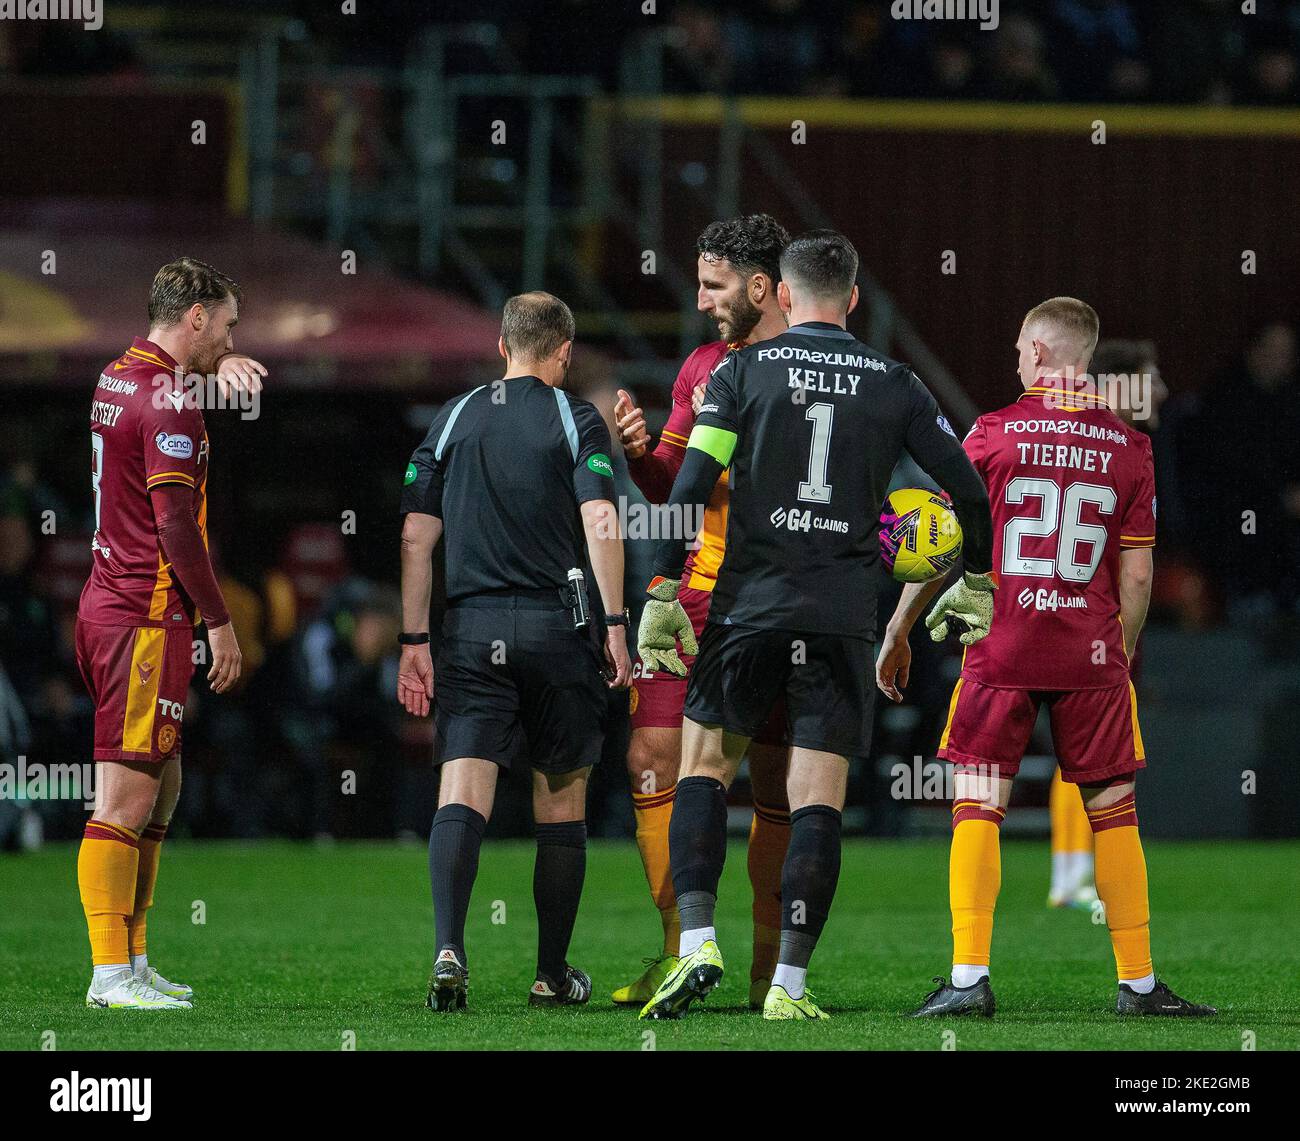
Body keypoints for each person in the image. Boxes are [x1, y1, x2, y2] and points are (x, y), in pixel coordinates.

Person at [634, 229, 995, 1021]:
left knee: (702, 771)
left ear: (786, 296)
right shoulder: (895, 382)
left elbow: (690, 485)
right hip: (840, 619)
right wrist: (977, 578)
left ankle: (696, 940)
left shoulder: (738, 372)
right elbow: (970, 494)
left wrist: (662, 586)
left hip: (745, 605)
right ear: (855, 299)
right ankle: (789, 988)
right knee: (815, 803)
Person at [878, 297, 1215, 1018]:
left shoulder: (991, 434)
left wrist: (900, 627)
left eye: (1019, 349)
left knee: (977, 803)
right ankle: (1140, 982)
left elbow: (940, 540)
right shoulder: (1130, 447)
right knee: (1115, 811)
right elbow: (1138, 573)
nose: (1015, 360)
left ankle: (969, 977)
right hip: (1088, 646)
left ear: (1038, 351)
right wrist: (1116, 657)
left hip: (1001, 639)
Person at [397, 291, 631, 1012]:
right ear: (562, 351)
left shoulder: (455, 415)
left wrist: (413, 638)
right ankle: (550, 974)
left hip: (470, 629)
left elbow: (415, 538)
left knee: (463, 789)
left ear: (503, 346)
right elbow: (599, 516)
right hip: (556, 629)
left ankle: (448, 945)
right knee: (559, 800)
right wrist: (616, 621)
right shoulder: (572, 414)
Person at [609, 214, 795, 1010]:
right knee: (652, 755)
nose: (701, 299)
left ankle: (767, 971)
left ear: (760, 286)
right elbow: (674, 488)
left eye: (714, 285)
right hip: (696, 597)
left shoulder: (815, 368)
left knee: (778, 784)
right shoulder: (701, 366)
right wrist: (641, 453)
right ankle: (679, 947)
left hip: (786, 601)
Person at [75, 257, 266, 1009]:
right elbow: (175, 524)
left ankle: (134, 956)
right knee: (124, 798)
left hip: (107, 604)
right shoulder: (171, 401)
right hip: (142, 619)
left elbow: (169, 396)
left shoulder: (120, 374)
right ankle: (109, 972)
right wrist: (219, 623)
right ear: (195, 317)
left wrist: (222, 367)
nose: (230, 334)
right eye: (225, 324)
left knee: (162, 788)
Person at [1047, 337, 1169, 910]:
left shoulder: (1058, 437)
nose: (1162, 390)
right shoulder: (1123, 451)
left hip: (1041, 615)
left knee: (1068, 752)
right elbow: (1135, 572)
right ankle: (1087, 878)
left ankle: (1070, 875)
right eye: (1150, 378)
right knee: (1104, 755)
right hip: (1096, 620)